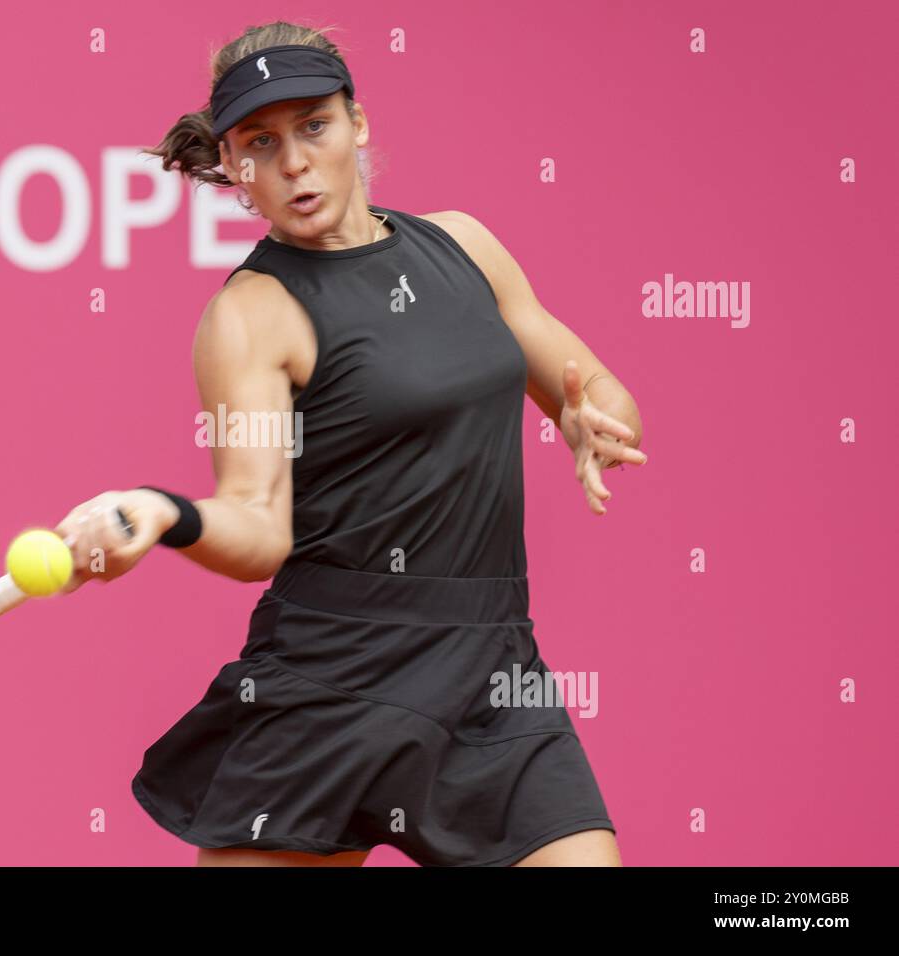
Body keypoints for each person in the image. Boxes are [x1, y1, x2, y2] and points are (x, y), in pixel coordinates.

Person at [53, 20, 647, 867]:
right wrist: (162, 512)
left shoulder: (466, 246)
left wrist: (595, 423)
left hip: (492, 669)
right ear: (234, 167)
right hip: (327, 683)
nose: (295, 162)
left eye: (314, 126)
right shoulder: (250, 317)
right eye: (262, 143)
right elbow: (257, 526)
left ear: (357, 123)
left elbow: (598, 390)